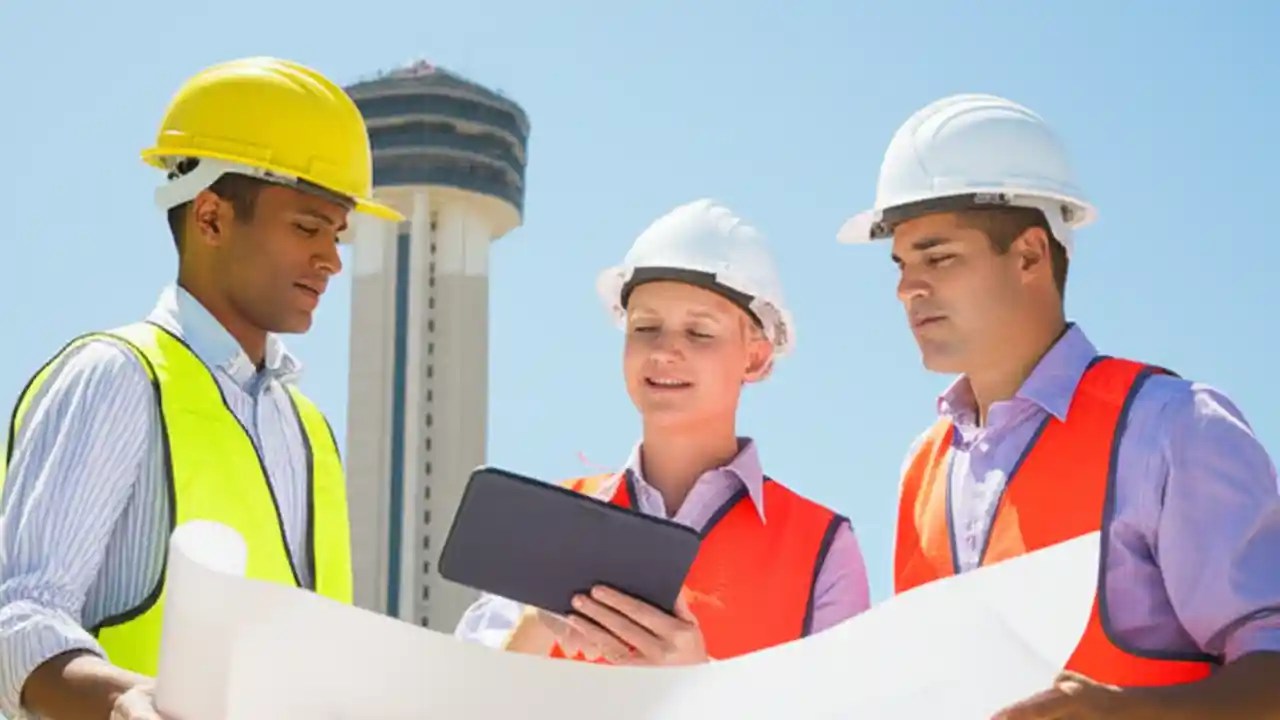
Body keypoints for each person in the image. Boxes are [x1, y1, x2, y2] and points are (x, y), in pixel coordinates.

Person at [837, 93, 1280, 718]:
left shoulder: (1172, 429)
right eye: (902, 264)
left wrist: (1129, 715)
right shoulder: (924, 472)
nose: (909, 288)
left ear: (1029, 256)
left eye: (938, 258)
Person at [0, 56, 403, 720]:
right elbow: (18, 617)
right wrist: (124, 698)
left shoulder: (309, 434)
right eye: (307, 227)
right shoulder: (118, 377)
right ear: (211, 219)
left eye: (338, 234)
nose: (331, 259)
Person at [454, 198, 870, 664]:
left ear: (755, 356)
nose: (665, 351)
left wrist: (699, 686)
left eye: (700, 333)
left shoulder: (822, 547)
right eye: (646, 327)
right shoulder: (551, 522)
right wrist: (532, 628)